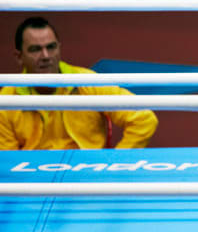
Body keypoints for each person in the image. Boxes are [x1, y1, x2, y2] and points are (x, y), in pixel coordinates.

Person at [0, 17, 158, 150]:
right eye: (35, 49)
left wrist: (114, 162)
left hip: (89, 179)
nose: (46, 56)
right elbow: (8, 161)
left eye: (51, 47)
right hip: (34, 181)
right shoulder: (6, 100)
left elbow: (144, 119)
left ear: (59, 49)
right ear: (19, 57)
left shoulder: (87, 81)